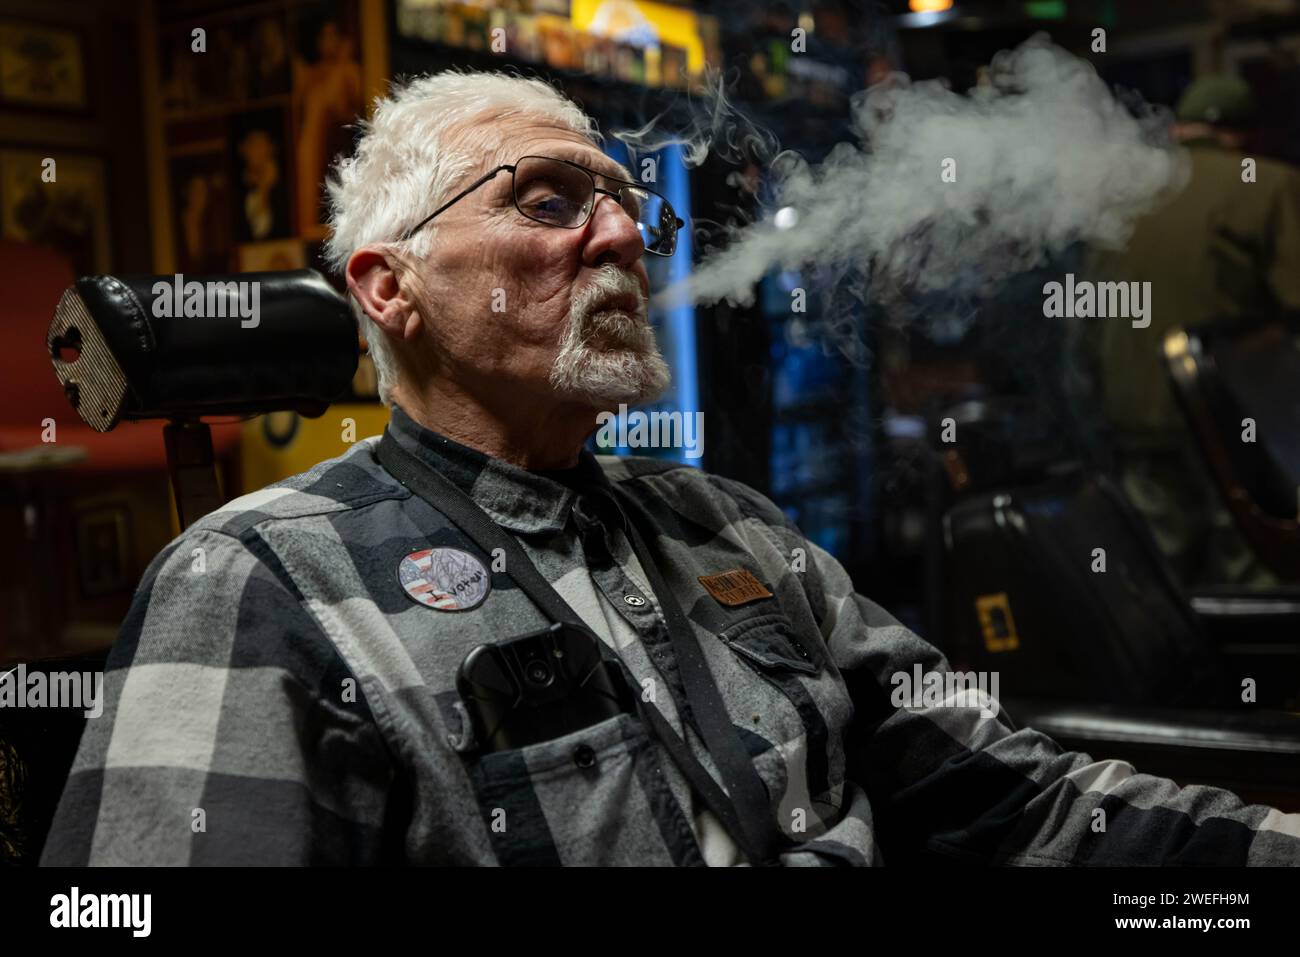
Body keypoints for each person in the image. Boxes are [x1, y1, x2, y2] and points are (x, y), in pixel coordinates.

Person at [42, 70, 1300, 865]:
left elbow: (1011, 798)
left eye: (631, 203)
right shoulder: (257, 583)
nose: (629, 233)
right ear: (392, 284)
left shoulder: (733, 531)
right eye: (544, 200)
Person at [1085, 74, 1300, 586]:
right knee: (1254, 575)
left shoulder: (1127, 194)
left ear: (1180, 128)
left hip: (1137, 414)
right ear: (1244, 134)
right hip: (1229, 422)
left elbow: (1087, 319)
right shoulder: (1269, 184)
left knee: (1159, 582)